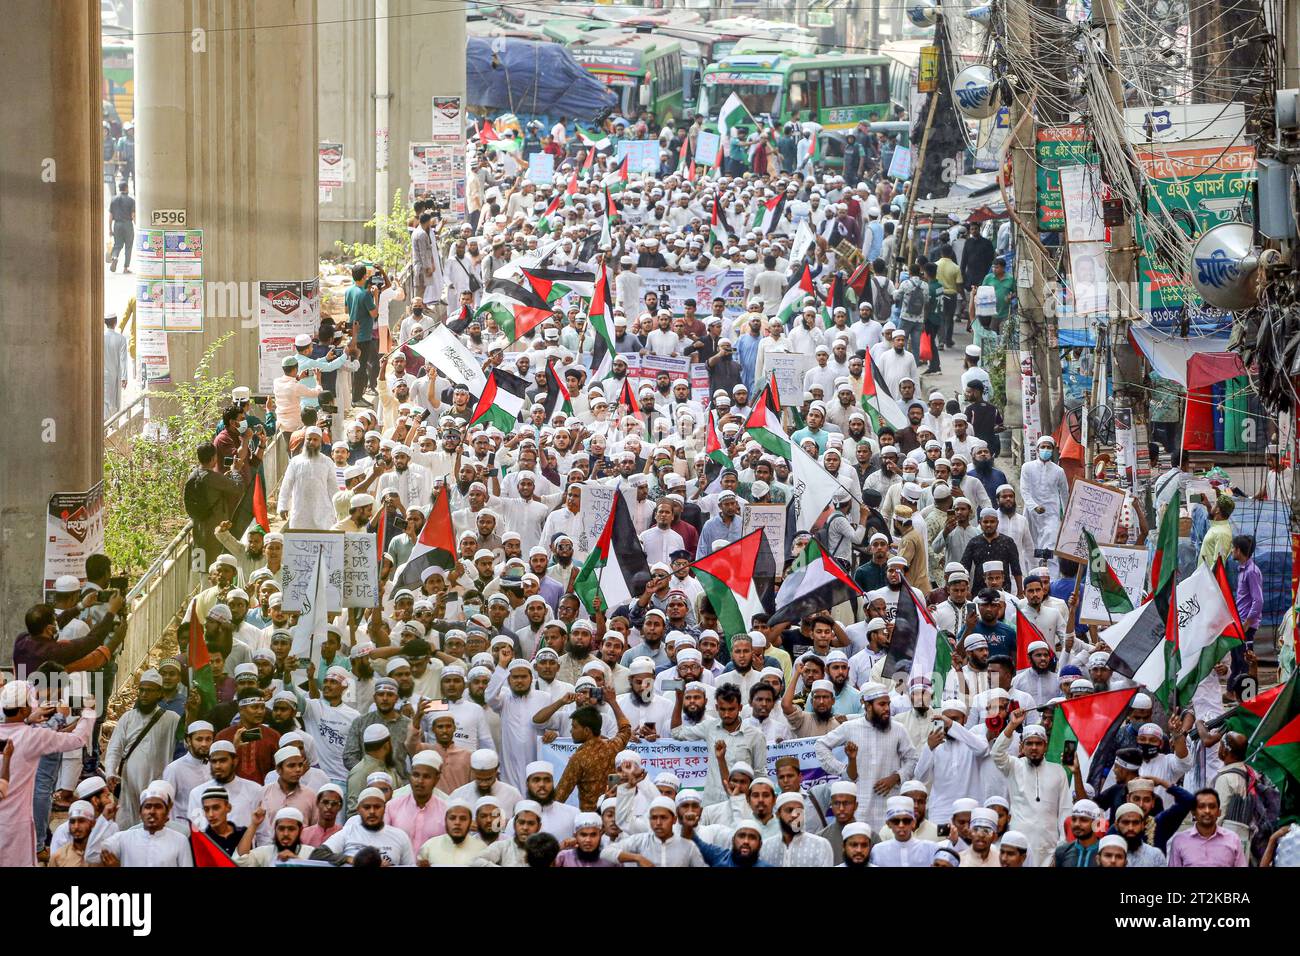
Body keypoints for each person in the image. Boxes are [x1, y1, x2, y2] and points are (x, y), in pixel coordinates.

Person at [107, 179, 135, 273]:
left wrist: (110, 229)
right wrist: (136, 225)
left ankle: (114, 257)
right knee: (128, 246)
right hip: (128, 224)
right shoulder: (131, 200)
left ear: (119, 189)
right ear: (126, 188)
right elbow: (133, 215)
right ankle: (125, 268)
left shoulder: (113, 199)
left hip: (117, 225)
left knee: (117, 245)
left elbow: (110, 216)